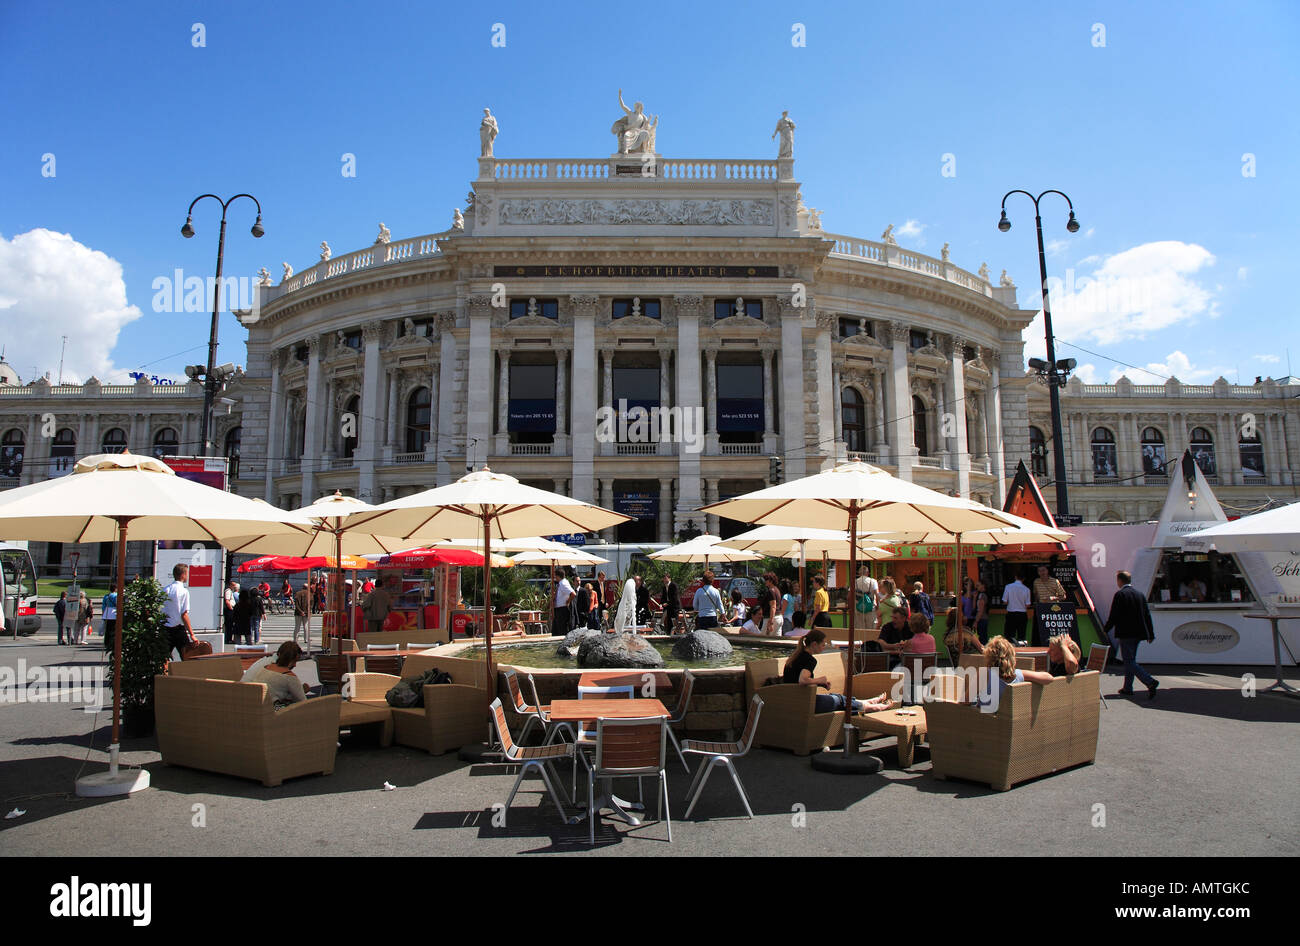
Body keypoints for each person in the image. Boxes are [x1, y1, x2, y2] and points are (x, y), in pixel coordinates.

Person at [781, 629, 889, 714]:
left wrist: (819, 683)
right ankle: (871, 707)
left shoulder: (795, 656)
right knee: (838, 700)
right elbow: (802, 680)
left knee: (837, 697)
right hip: (805, 704)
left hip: (792, 701)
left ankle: (867, 702)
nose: (824, 648)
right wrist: (821, 679)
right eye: (822, 645)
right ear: (814, 644)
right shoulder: (809, 659)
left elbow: (797, 681)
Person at [1103, 569, 1160, 699]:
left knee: (1129, 661)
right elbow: (1147, 615)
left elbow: (1114, 615)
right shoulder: (1140, 594)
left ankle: (1149, 681)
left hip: (1126, 632)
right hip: (1139, 633)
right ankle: (1128, 688)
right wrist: (1150, 634)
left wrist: (1106, 629)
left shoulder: (1120, 595)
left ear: (1119, 580)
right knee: (1130, 660)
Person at [978, 637, 1055, 709]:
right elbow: (1049, 678)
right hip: (1010, 718)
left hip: (984, 719)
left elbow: (966, 701)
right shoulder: (1019, 674)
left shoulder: (984, 674)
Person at [249, 641, 311, 709]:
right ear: (291, 660)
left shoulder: (265, 667)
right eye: (295, 661)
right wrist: (302, 690)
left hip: (254, 706)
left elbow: (274, 691)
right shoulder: (289, 677)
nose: (295, 665)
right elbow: (303, 702)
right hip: (272, 713)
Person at [162, 564, 197, 660]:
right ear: (183, 575)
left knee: (164, 658)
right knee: (186, 657)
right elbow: (184, 614)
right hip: (178, 629)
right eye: (187, 574)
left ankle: (163, 674)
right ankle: (185, 674)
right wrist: (192, 634)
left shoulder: (165, 590)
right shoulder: (184, 591)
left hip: (166, 628)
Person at [1002, 573, 1032, 643]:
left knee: (1009, 636)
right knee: (1021, 636)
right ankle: (1022, 651)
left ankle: (1009, 651)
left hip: (1011, 613)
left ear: (1015, 577)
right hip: (1022, 614)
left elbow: (1005, 601)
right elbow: (1028, 604)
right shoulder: (1026, 589)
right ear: (1023, 579)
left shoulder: (1008, 587)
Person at [855, 566, 879, 630]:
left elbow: (849, 596)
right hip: (871, 608)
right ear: (868, 573)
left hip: (859, 608)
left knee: (860, 629)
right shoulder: (873, 581)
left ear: (859, 573)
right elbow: (877, 595)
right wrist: (878, 606)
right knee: (871, 628)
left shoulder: (855, 582)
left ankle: (861, 640)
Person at [553, 570, 575, 636]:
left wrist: (568, 601)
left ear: (557, 576)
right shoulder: (560, 584)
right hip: (558, 609)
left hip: (562, 609)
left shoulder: (563, 583)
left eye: (555, 576)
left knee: (562, 629)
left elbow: (573, 593)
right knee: (556, 629)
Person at [293, 581, 313, 647]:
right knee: (306, 626)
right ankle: (306, 639)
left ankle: (295, 640)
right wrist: (308, 611)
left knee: (297, 627)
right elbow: (311, 605)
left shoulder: (297, 593)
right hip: (306, 613)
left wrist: (300, 611)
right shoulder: (310, 594)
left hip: (298, 613)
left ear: (302, 587)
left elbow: (296, 604)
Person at [223, 580, 239, 644]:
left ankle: (229, 638)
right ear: (230, 585)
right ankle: (228, 639)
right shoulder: (228, 591)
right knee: (229, 625)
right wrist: (231, 609)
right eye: (233, 585)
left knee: (230, 625)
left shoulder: (230, 591)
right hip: (229, 610)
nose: (235, 587)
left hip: (230, 609)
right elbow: (227, 601)